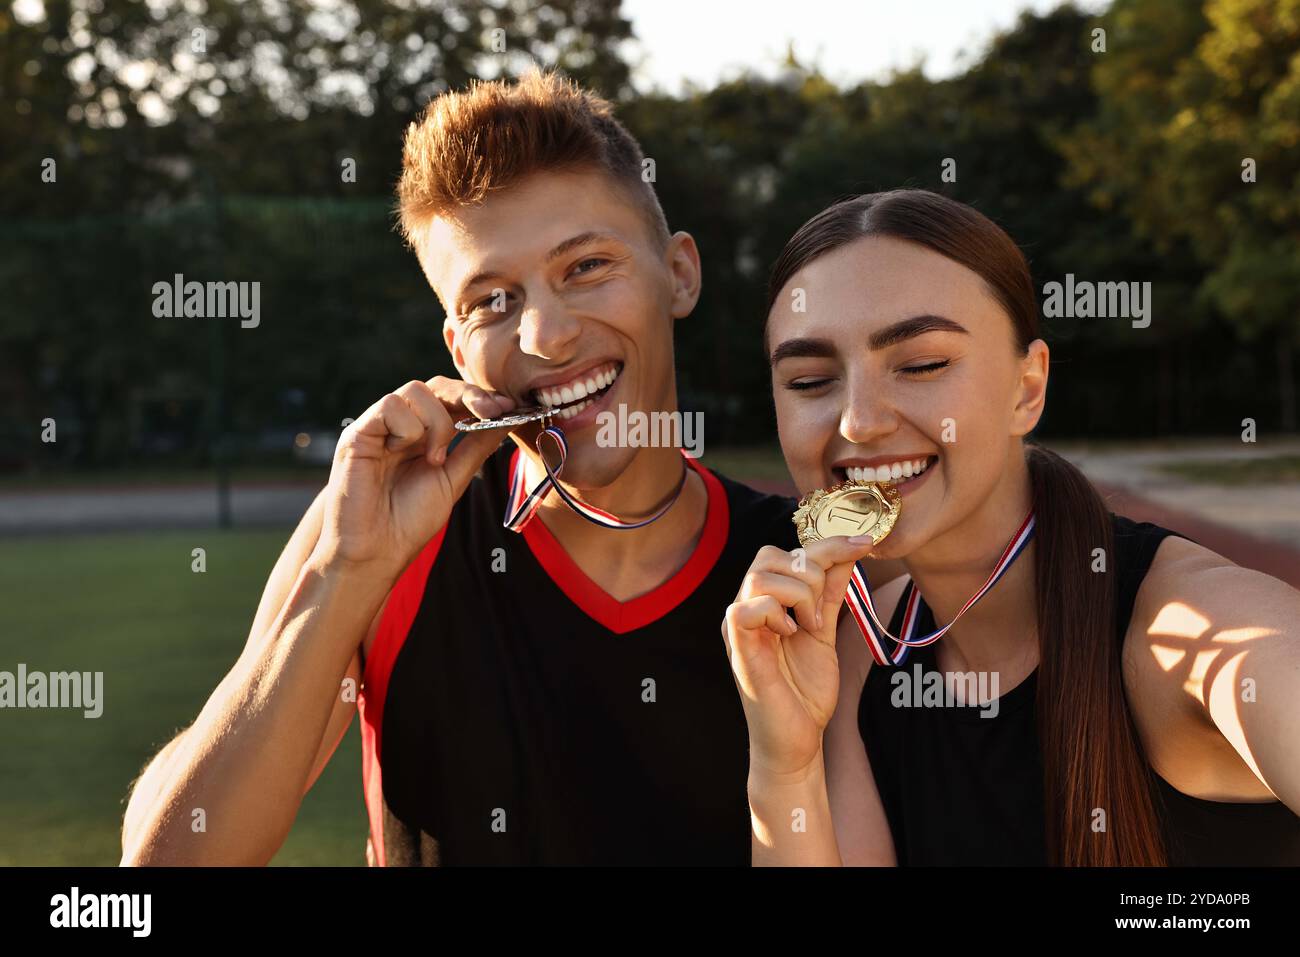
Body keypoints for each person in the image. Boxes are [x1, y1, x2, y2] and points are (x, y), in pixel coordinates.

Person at [117, 71, 901, 867]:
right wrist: (347, 567)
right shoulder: (384, 541)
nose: (547, 333)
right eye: (491, 299)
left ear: (681, 274)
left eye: (587, 266)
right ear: (457, 348)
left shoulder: (805, 580)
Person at [724, 188, 1300, 866]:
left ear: (1027, 388)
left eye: (922, 364)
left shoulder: (1194, 627)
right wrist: (783, 763)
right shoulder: (857, 656)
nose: (858, 421)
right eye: (810, 379)